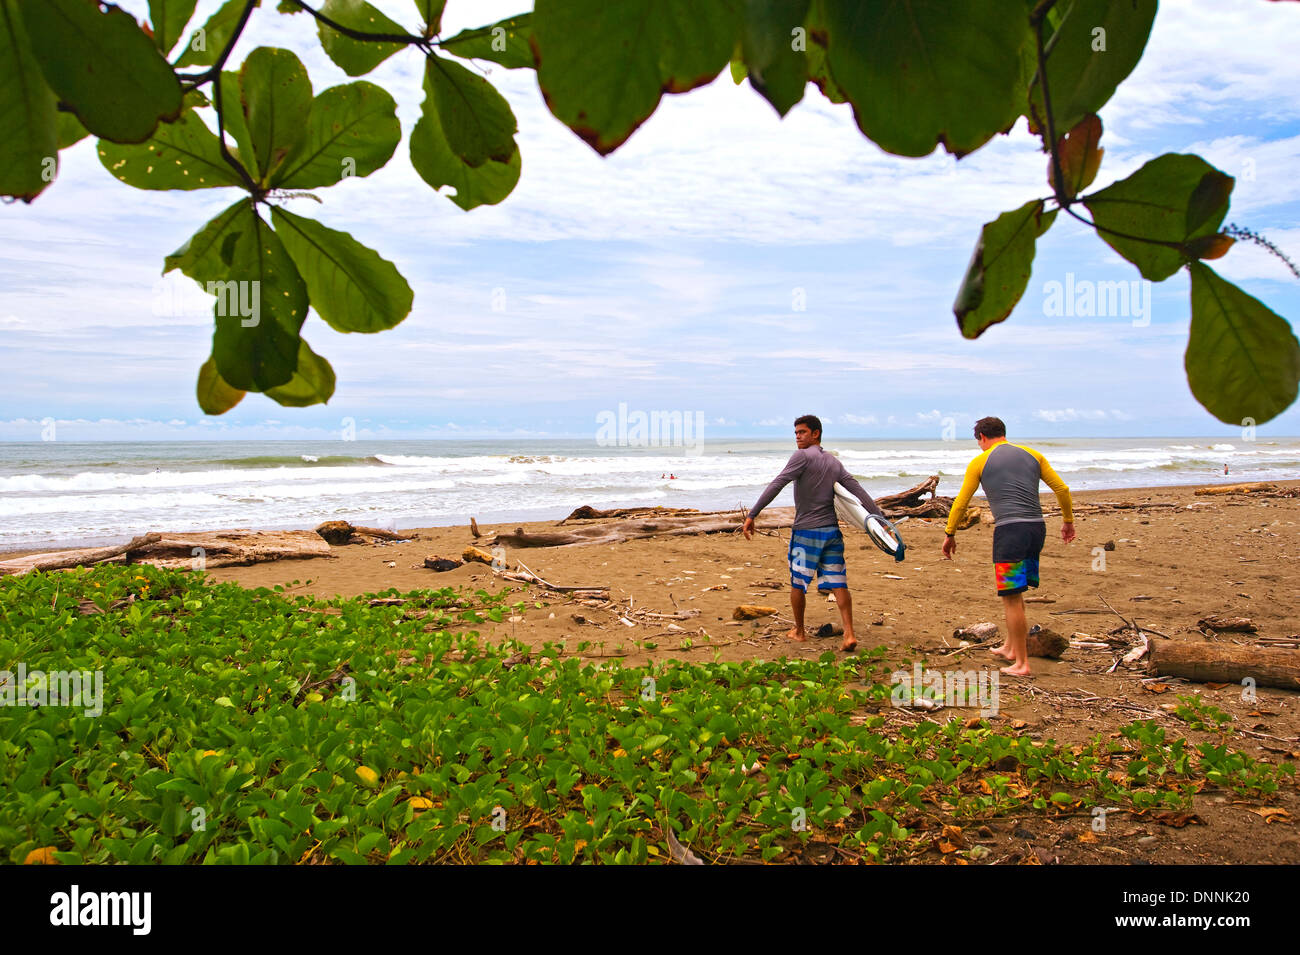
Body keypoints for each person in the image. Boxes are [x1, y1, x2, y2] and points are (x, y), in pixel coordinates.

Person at [941, 417, 1075, 676]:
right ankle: (1010, 648)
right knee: (1017, 592)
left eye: (978, 441)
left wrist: (950, 533)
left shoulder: (980, 461)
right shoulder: (1033, 454)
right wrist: (1068, 521)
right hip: (1036, 528)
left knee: (1011, 598)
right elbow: (1062, 489)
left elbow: (961, 502)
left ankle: (1022, 664)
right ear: (1003, 433)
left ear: (981, 437)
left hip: (1010, 532)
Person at [742, 415, 884, 653]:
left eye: (802, 432)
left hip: (806, 533)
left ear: (815, 433)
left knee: (798, 583)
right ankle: (848, 633)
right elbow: (857, 489)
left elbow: (778, 483)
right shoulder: (833, 462)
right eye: (795, 433)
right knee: (839, 583)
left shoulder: (801, 457)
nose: (797, 436)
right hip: (831, 532)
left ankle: (799, 631)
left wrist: (752, 513)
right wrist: (880, 519)